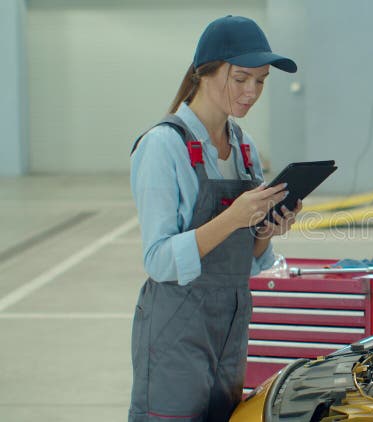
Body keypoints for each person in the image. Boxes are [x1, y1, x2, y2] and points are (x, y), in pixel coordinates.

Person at [128, 15, 301, 421]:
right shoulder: (162, 146)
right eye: (240, 78)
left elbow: (250, 255)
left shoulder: (244, 148)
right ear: (204, 73)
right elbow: (159, 260)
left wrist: (265, 229)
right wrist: (233, 217)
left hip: (231, 319)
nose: (251, 91)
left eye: (260, 81)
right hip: (176, 326)